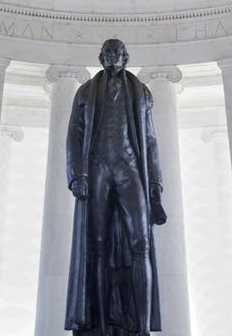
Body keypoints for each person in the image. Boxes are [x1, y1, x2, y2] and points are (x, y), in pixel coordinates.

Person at [65, 39, 167, 336]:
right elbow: (74, 134)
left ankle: (143, 326)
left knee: (141, 244)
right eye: (107, 53)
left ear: (125, 57)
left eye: (117, 53)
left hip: (130, 168)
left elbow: (150, 140)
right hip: (96, 168)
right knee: (96, 246)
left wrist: (156, 185)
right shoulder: (85, 92)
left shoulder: (142, 93)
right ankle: (98, 324)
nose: (112, 57)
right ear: (100, 57)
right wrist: (77, 175)